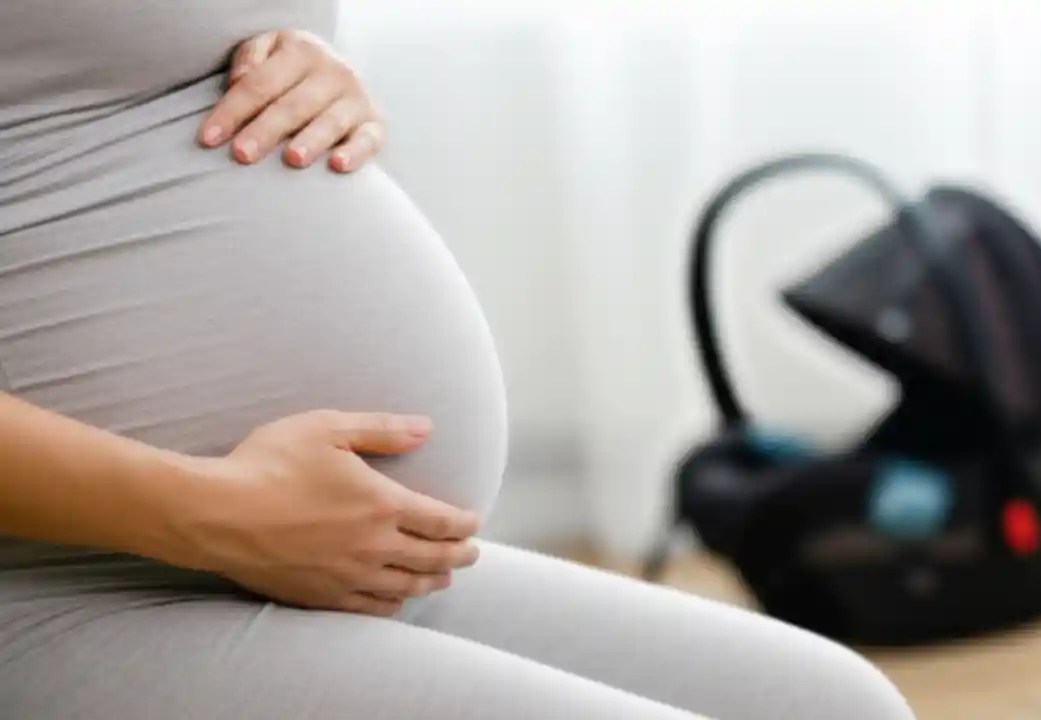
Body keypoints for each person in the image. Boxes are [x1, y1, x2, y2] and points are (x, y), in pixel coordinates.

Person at [0, 3, 913, 718]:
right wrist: (212, 515)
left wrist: (310, 66)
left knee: (839, 706)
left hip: (306, 561)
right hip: (65, 581)